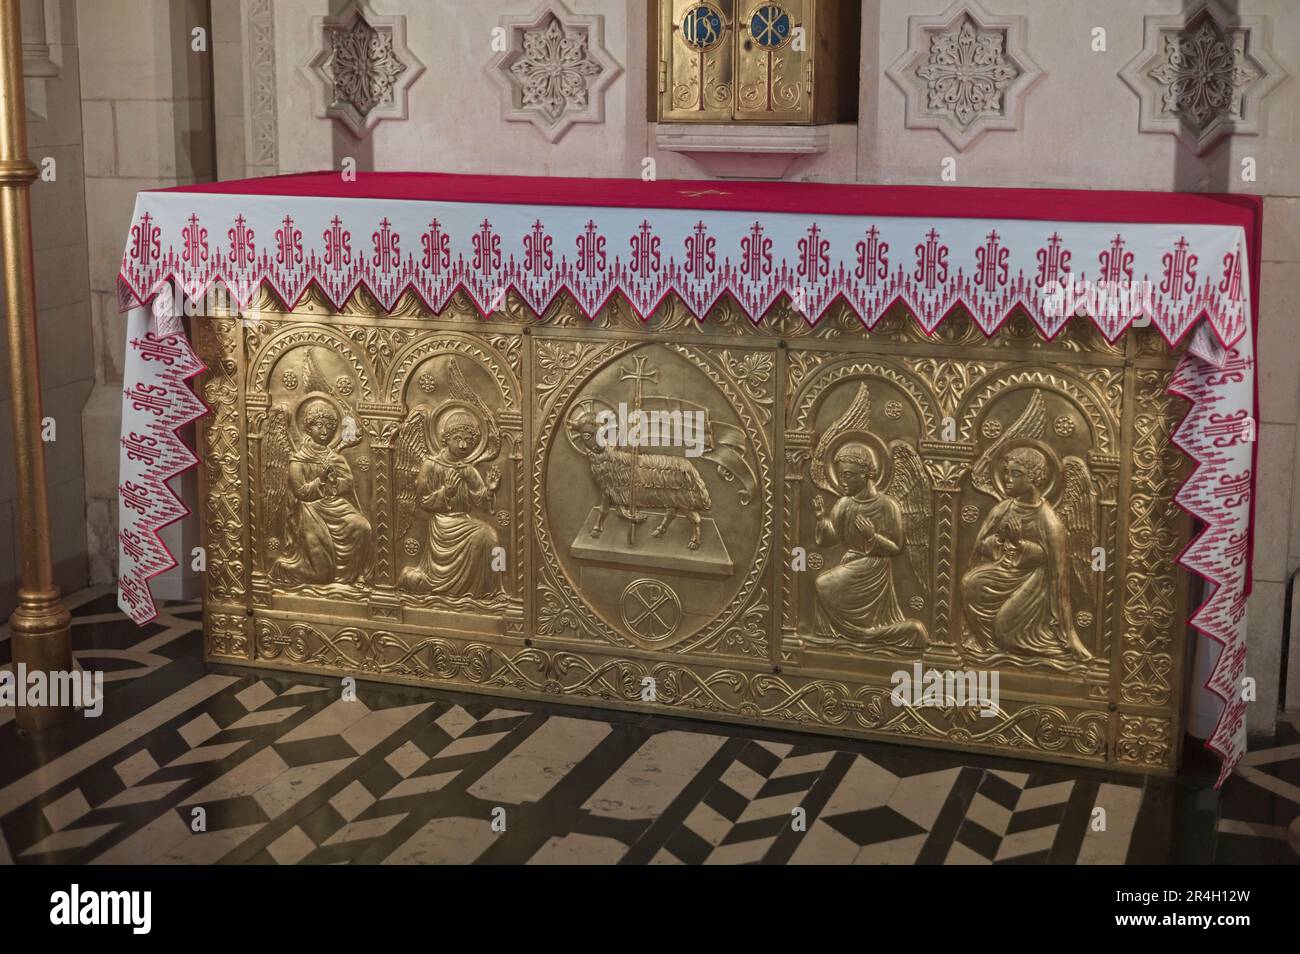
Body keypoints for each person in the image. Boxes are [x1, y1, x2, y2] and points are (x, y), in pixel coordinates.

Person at [961, 446, 1092, 660]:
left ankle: (1048, 649)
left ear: (1034, 478)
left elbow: (1055, 568)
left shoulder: (1048, 520)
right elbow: (981, 547)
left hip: (1036, 581)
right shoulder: (1002, 509)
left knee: (1004, 628)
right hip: (1004, 570)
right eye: (1006, 473)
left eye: (1016, 474)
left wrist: (1019, 542)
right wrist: (1000, 540)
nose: (1007, 479)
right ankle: (986, 646)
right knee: (970, 582)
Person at [813, 443, 927, 648]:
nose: (842, 480)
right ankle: (840, 636)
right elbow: (831, 538)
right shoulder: (844, 504)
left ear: (866, 474)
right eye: (840, 475)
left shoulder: (887, 505)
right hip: (852, 564)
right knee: (822, 585)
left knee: (823, 584)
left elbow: (896, 547)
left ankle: (862, 634)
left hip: (874, 568)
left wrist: (872, 536)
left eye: (848, 475)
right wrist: (822, 520)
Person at [400, 409, 503, 598]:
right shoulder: (431, 465)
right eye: (458, 438)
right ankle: (443, 586)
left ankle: (492, 588)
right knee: (486, 535)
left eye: (469, 441)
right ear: (446, 439)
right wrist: (445, 493)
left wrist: (490, 490)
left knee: (494, 540)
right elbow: (423, 500)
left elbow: (480, 502)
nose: (463, 445)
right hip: (443, 524)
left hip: (464, 521)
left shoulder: (468, 469)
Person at [271, 399, 373, 585]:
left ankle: (349, 577)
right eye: (319, 425)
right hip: (310, 511)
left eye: (329, 426)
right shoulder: (298, 460)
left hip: (334, 505)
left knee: (362, 526)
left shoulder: (334, 457)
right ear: (308, 428)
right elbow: (301, 492)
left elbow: (348, 484)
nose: (324, 431)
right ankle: (285, 569)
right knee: (322, 574)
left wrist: (333, 482)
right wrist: (322, 478)